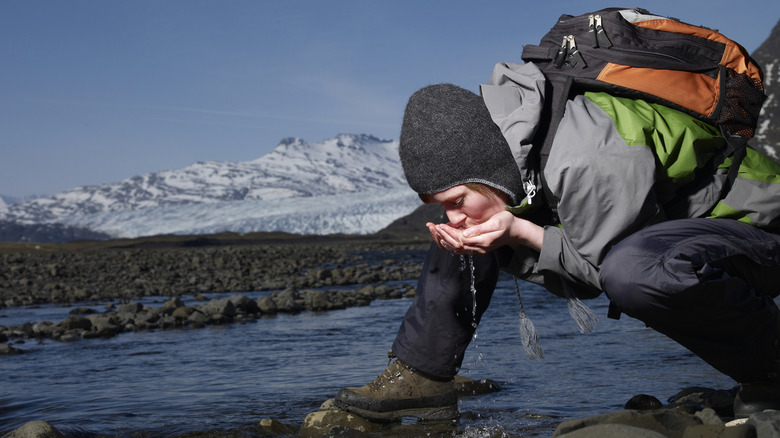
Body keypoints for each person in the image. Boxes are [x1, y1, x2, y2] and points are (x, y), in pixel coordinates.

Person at [333, 62, 780, 422]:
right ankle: (422, 377)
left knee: (636, 273)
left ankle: (770, 371)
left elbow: (605, 274)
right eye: (437, 203)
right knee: (466, 232)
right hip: (673, 237)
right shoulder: (507, 152)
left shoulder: (586, 158)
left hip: (756, 230)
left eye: (455, 197)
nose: (450, 212)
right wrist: (487, 228)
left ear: (485, 168)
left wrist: (521, 232)